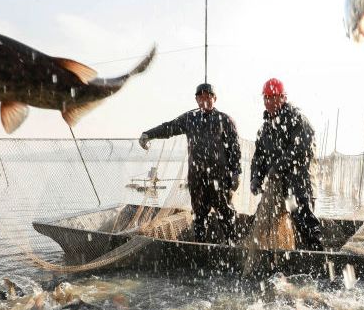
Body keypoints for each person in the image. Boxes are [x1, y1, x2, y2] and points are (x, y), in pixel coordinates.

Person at [138, 83, 241, 244]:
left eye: (208, 96)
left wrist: (236, 173)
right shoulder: (190, 119)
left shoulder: (225, 120)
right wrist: (148, 134)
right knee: (199, 216)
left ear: (215, 98)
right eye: (200, 97)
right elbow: (169, 127)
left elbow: (235, 150)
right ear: (196, 99)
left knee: (226, 214)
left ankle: (233, 247)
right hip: (197, 179)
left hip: (219, 179)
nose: (204, 100)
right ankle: (200, 249)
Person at [249, 78, 324, 251]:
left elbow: (299, 149)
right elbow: (259, 156)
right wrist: (256, 178)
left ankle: (319, 258)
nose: (269, 102)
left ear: (283, 98)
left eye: (273, 97)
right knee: (260, 221)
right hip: (277, 188)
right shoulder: (265, 128)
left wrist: (278, 167)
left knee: (305, 222)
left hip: (299, 185)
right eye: (266, 98)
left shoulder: (297, 120)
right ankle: (273, 261)